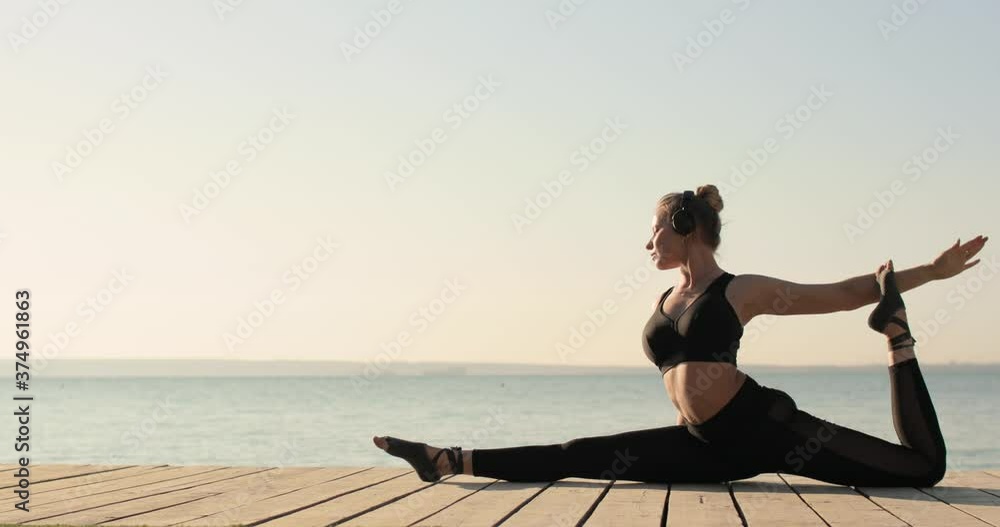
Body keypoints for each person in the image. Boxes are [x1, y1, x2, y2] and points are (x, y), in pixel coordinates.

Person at [373, 184, 989, 487]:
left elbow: (841, 293)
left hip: (766, 430)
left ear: (684, 224)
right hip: (705, 444)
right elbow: (684, 381)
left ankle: (897, 335)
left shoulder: (741, 290)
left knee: (922, 469)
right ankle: (447, 460)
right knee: (581, 453)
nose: (647, 243)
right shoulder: (663, 302)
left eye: (655, 231)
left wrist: (927, 274)